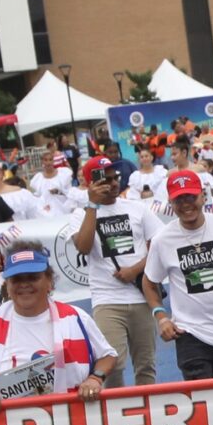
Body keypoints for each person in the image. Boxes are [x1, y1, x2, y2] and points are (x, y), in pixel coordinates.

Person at [0, 245, 118, 409]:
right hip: (10, 420)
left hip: (73, 415)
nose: (24, 284)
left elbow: (107, 355)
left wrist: (95, 378)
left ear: (49, 282)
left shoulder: (75, 317)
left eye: (32, 277)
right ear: (7, 286)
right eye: (16, 279)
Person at [141, 169, 213, 380]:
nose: (186, 204)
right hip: (189, 334)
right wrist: (161, 317)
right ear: (170, 203)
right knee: (202, 397)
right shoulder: (162, 239)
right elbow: (149, 283)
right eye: (179, 199)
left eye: (191, 197)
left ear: (203, 196)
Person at [70, 156, 160, 386]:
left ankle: (147, 406)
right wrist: (92, 206)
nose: (112, 184)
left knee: (146, 364)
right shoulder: (80, 215)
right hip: (107, 300)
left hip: (141, 296)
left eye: (114, 178)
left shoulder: (137, 208)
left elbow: (159, 246)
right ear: (90, 184)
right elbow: (83, 247)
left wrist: (135, 269)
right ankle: (115, 408)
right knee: (112, 366)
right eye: (105, 180)